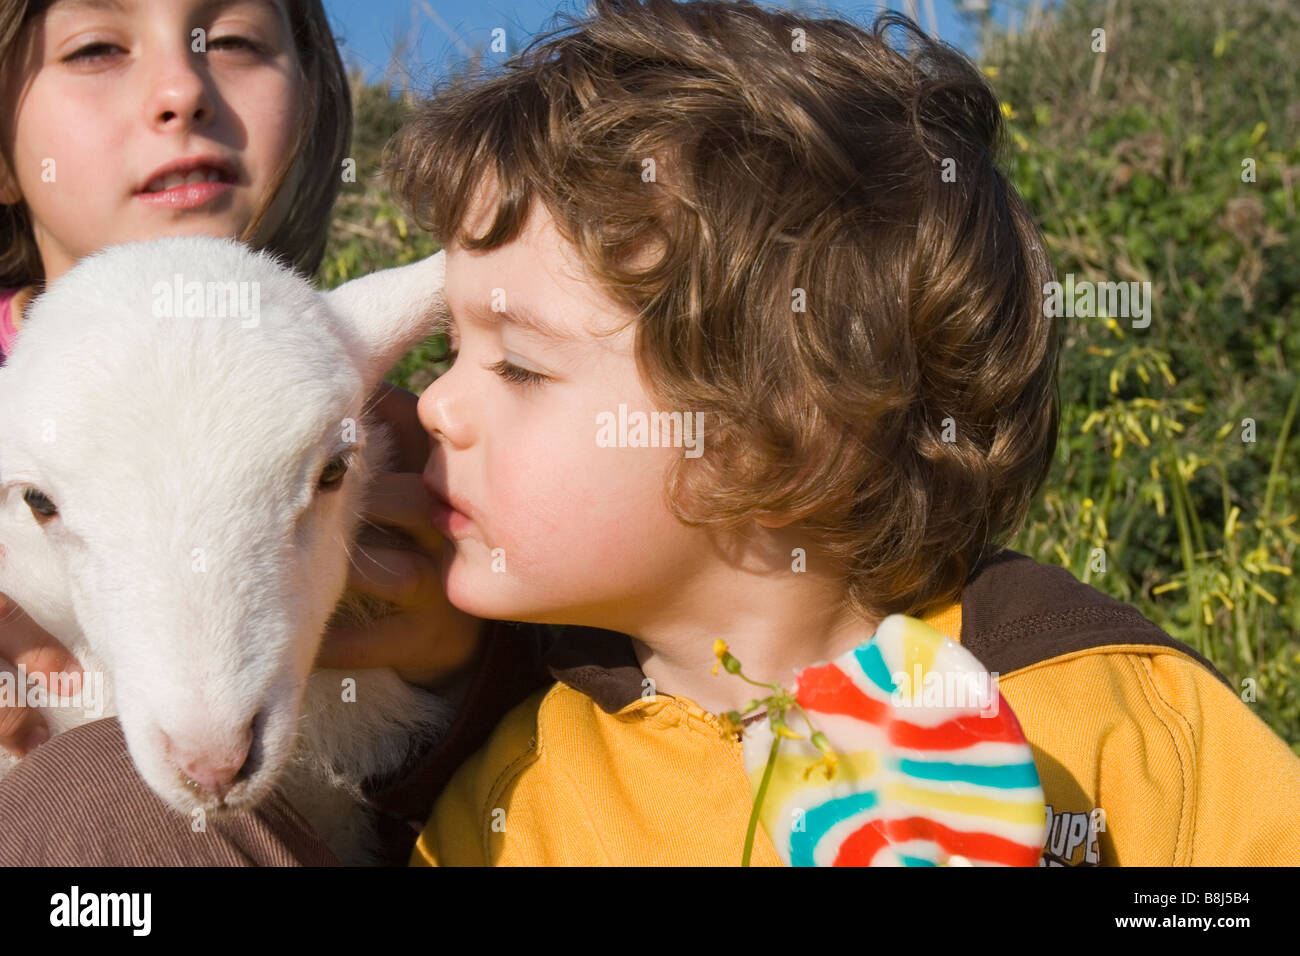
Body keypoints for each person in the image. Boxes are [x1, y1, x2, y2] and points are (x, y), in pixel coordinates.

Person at [6, 0, 1299, 867]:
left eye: (512, 365)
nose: (436, 410)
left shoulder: (1092, 707)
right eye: (94, 46)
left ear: (774, 423)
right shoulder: (521, 807)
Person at [0, 0, 494, 863]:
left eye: (229, 40)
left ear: (310, 103)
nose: (179, 90)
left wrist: (464, 674)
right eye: (95, 47)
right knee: (97, 795)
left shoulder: (429, 437)